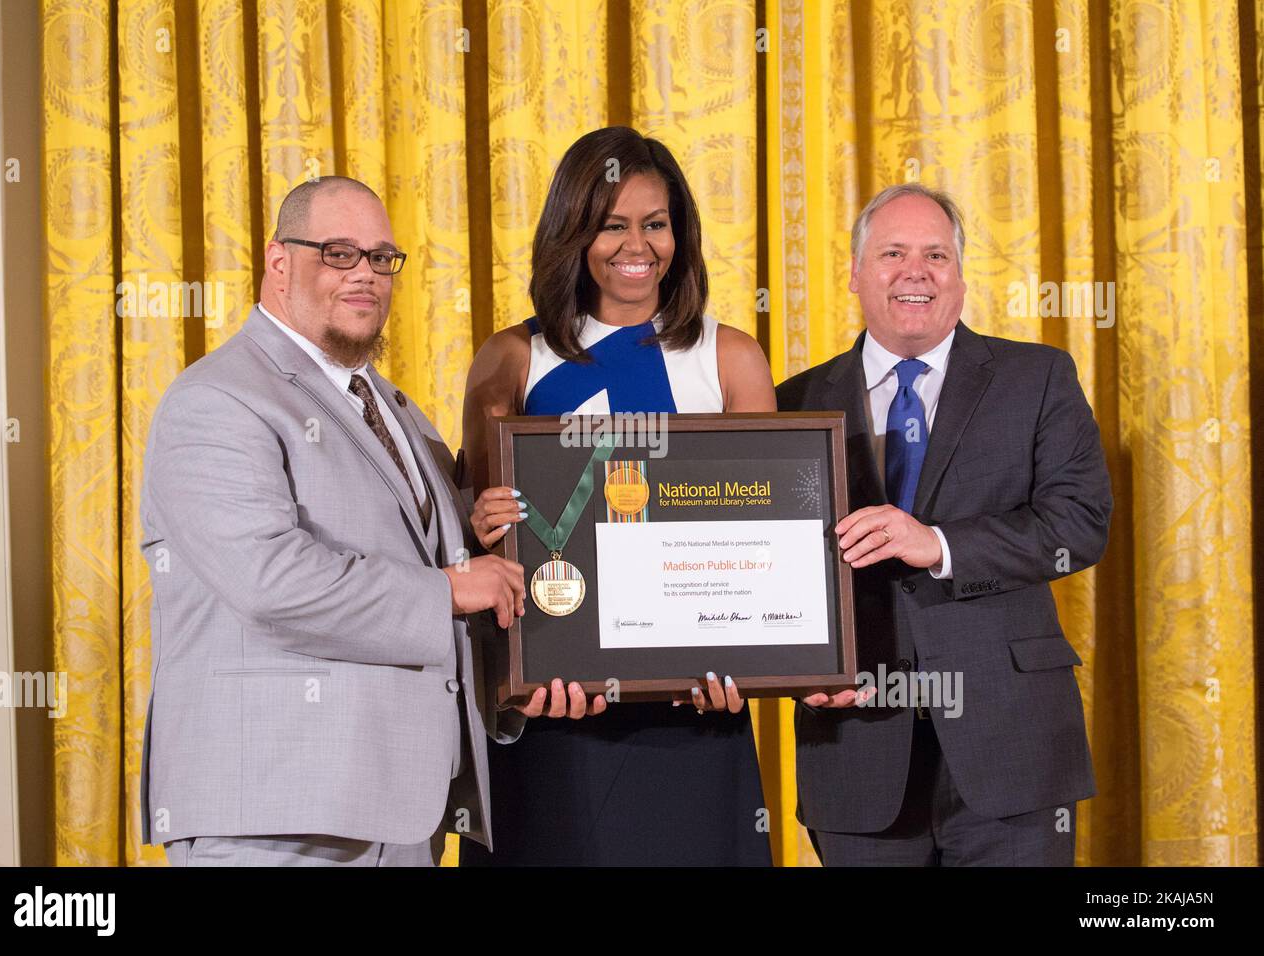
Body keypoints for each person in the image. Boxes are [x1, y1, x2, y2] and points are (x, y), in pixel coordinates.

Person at [139, 175, 525, 866]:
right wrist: (452, 586)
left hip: (403, 809)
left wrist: (523, 676)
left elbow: (444, 575)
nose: (367, 275)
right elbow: (273, 582)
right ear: (278, 261)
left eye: (381, 258)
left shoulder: (394, 409)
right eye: (340, 253)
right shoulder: (217, 400)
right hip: (277, 818)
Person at [457, 126, 776, 865]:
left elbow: (767, 539)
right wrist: (484, 521)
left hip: (692, 715)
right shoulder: (510, 357)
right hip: (554, 713)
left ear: (680, 234)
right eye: (612, 224)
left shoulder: (730, 357)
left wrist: (750, 666)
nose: (639, 245)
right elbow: (477, 538)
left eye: (656, 224)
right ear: (574, 231)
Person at [776, 183, 1112, 866]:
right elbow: (769, 565)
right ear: (855, 273)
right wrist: (786, 667)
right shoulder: (794, 401)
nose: (915, 271)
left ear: (960, 274)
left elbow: (1080, 522)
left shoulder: (1039, 376)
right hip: (855, 744)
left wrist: (939, 545)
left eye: (937, 254)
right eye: (892, 252)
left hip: (1011, 745)